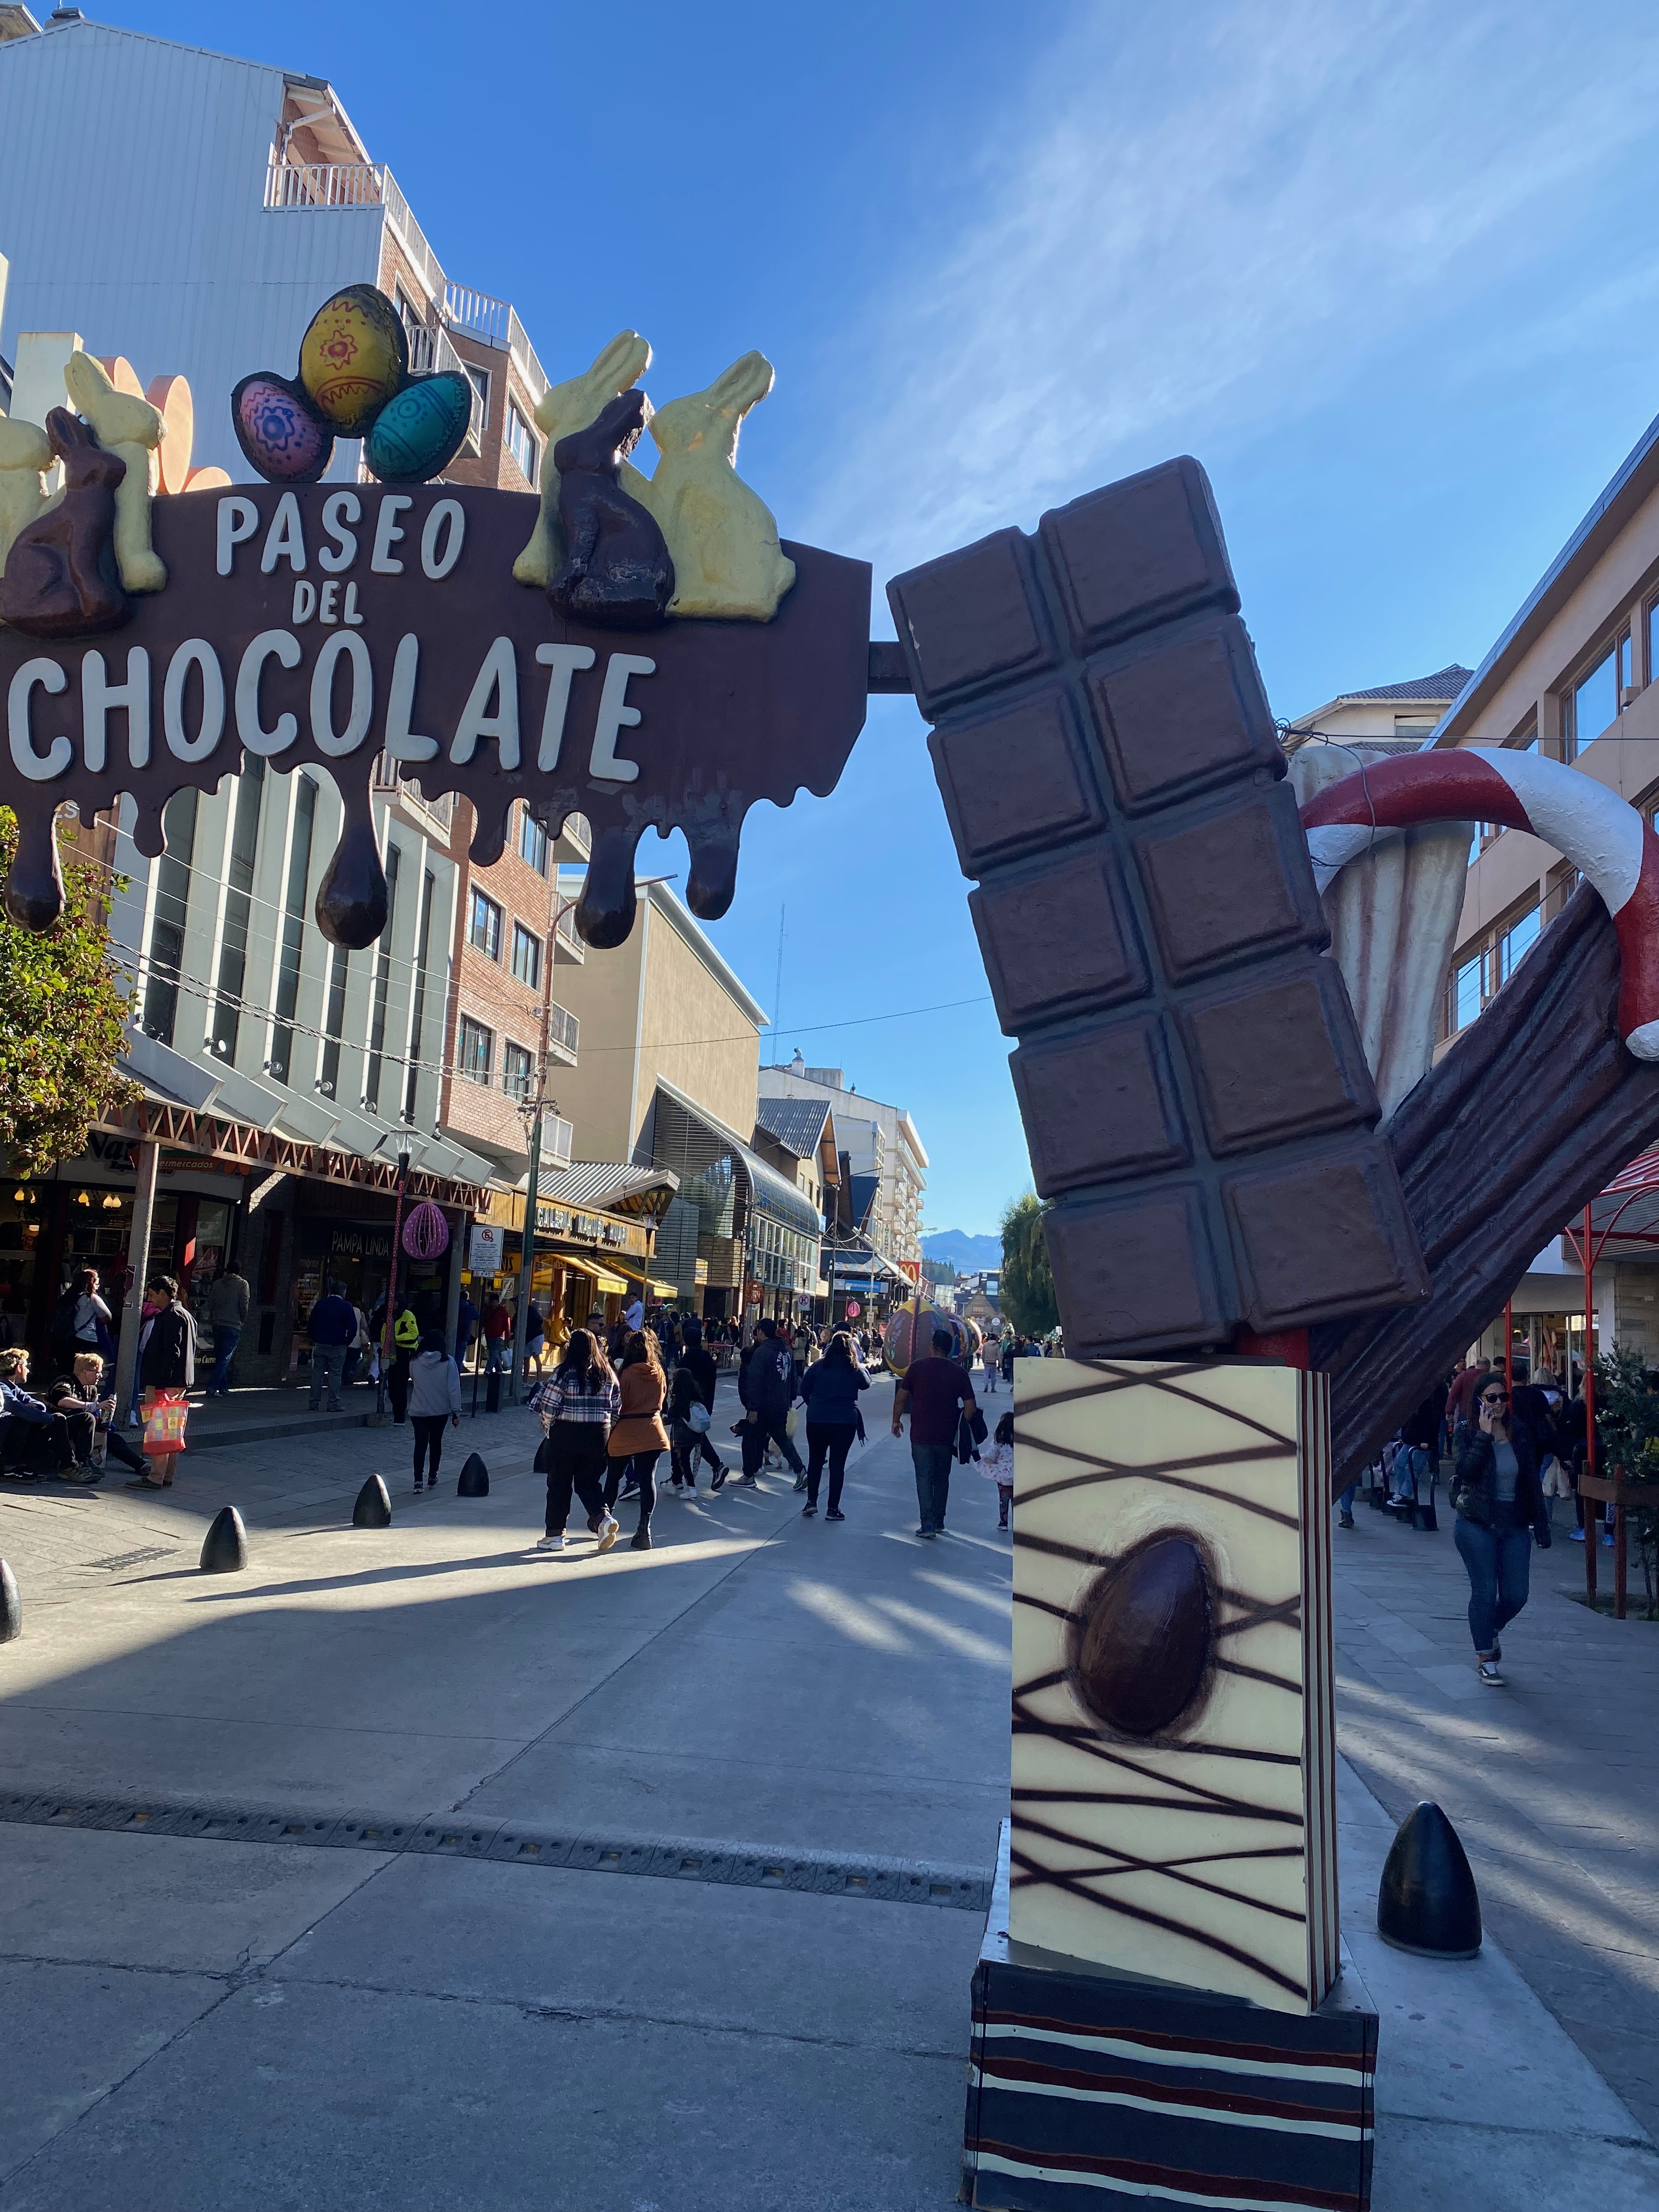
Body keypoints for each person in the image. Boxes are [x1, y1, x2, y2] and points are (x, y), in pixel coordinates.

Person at [1449, 1372, 1551, 1686]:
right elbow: (1465, 1471)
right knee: (1483, 1592)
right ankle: (1485, 1657)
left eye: (1502, 1397)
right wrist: (1484, 1435)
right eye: (1490, 1398)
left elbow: (1532, 1480)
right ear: (1479, 1401)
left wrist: (1541, 1525)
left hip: (1515, 1524)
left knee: (1516, 1595)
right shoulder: (1467, 1432)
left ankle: (1488, 1628)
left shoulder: (1518, 1431)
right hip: (1476, 1522)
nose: (1498, 1404)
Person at [528, 1328, 620, 1555]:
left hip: (567, 1434)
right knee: (588, 1483)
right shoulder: (607, 1372)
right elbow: (618, 1405)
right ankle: (603, 1519)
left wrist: (548, 1427)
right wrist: (608, 1426)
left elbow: (549, 1405)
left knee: (559, 1484)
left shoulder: (565, 1372)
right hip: (599, 1434)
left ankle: (555, 1535)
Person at [894, 1327, 978, 1539]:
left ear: (932, 1346)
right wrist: (960, 1426)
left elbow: (901, 1398)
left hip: (920, 1433)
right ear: (950, 1350)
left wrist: (896, 1421)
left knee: (923, 1478)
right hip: (946, 1435)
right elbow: (971, 1408)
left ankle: (928, 1524)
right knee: (942, 1478)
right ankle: (939, 1521)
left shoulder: (917, 1368)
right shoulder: (959, 1372)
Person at [605, 1330, 668, 1550]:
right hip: (652, 1428)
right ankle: (645, 1528)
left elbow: (618, 1403)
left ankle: (605, 1521)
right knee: (647, 1479)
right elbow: (663, 1399)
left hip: (626, 1427)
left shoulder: (627, 1374)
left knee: (613, 1477)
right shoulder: (658, 1371)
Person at [132, 1274, 196, 1488]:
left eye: (152, 1295)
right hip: (180, 1381)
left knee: (159, 1429)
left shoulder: (170, 1317)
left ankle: (155, 1476)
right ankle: (167, 1475)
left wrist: (162, 1385)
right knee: (171, 1429)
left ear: (163, 1293)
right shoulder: (186, 1315)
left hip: (165, 1382)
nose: (150, 1300)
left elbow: (172, 1352)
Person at [797, 1329, 869, 1520]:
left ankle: (811, 1502)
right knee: (838, 1465)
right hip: (845, 1421)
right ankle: (832, 1508)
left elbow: (804, 1389)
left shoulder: (819, 1366)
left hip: (817, 1419)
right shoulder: (854, 1369)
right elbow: (866, 1384)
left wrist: (815, 1404)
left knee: (815, 1461)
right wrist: (860, 1364)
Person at [0, 1346, 98, 1480]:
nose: (29, 1370)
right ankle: (10, 1468)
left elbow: (40, 1405)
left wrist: (35, 1410)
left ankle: (77, 1463)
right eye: (27, 1366)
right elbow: (17, 1408)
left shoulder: (15, 1389)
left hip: (17, 1434)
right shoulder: (2, 1386)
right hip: (5, 1435)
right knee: (43, 1419)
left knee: (75, 1418)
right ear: (18, 1369)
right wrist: (47, 1418)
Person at [48, 1354, 146, 1476]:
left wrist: (105, 1421)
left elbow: (94, 1412)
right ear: (85, 1372)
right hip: (60, 1427)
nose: (100, 1376)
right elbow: (62, 1401)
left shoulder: (92, 1389)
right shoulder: (65, 1381)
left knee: (113, 1438)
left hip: (84, 1428)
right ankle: (82, 1462)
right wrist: (91, 1406)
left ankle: (140, 1465)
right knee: (87, 1418)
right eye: (97, 1372)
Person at [738, 1317, 804, 1485]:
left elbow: (755, 1382)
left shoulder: (762, 1352)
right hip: (781, 1405)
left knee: (750, 1438)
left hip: (763, 1406)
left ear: (761, 1332)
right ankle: (800, 1469)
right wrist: (789, 1399)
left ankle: (749, 1474)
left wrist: (753, 1408)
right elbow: (792, 1378)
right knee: (782, 1438)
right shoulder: (787, 1351)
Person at [668, 1317, 722, 1494]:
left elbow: (680, 1388)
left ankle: (680, 1480)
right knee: (695, 1440)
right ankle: (679, 1477)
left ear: (686, 1341)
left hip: (688, 1409)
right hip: (705, 1407)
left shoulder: (686, 1362)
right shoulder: (708, 1358)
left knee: (679, 1444)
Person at [407, 1330, 461, 1491]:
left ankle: (418, 1480)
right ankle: (432, 1475)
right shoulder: (448, 1362)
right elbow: (453, 1388)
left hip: (419, 1409)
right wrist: (456, 1411)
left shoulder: (414, 1361)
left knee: (420, 1444)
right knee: (436, 1442)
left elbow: (413, 1379)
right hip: (440, 1410)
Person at [306, 1279, 357, 1412]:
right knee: (335, 1374)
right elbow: (353, 1329)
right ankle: (333, 1403)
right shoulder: (346, 1306)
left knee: (318, 1373)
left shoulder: (321, 1304)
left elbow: (311, 1324)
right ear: (343, 1292)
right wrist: (347, 1342)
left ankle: (314, 1402)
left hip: (320, 1343)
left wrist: (313, 1338)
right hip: (338, 1345)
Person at [200, 1265, 250, 1398]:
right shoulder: (243, 1284)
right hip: (233, 1324)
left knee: (221, 1357)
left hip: (217, 1324)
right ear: (240, 1271)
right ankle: (212, 1387)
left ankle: (223, 1387)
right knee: (225, 1357)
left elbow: (211, 1303)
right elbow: (244, 1304)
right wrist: (242, 1320)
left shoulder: (217, 1284)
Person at [981, 1408, 1015, 1531]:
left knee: (1004, 1499)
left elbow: (991, 1456)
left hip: (1004, 1477)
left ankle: (1003, 1523)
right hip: (1018, 1477)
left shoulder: (999, 1442)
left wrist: (983, 1459)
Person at [387, 1297, 420, 1423]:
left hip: (404, 1354)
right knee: (392, 1387)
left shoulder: (407, 1315)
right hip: (392, 1354)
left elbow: (413, 1334)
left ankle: (400, 1416)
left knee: (400, 1387)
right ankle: (398, 1412)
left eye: (396, 1302)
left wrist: (397, 1338)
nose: (394, 1304)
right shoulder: (390, 1316)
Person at [1444, 1355, 1491, 1440]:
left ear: (1476, 1365)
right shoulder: (1489, 1378)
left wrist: (1449, 1411)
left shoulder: (1464, 1375)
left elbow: (1453, 1394)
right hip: (1485, 1414)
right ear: (1488, 1366)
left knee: (1464, 1440)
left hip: (1465, 1413)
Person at [482, 1293, 514, 1376]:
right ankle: (499, 1369)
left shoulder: (502, 1311)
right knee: (493, 1353)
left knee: (494, 1353)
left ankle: (488, 1370)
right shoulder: (488, 1311)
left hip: (498, 1335)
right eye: (492, 1301)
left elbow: (506, 1324)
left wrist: (507, 1335)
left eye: (494, 1301)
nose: (493, 1303)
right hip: (489, 1334)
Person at [456, 1288, 479, 1372]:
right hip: (464, 1335)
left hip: (453, 1334)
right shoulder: (468, 1307)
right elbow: (477, 1316)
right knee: (459, 1359)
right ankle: (457, 1377)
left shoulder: (453, 1304)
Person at [524, 1299, 546, 1378]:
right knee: (529, 1358)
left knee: (534, 1357)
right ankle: (530, 1380)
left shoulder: (530, 1310)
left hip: (534, 1336)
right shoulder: (531, 1311)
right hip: (533, 1336)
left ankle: (538, 1380)